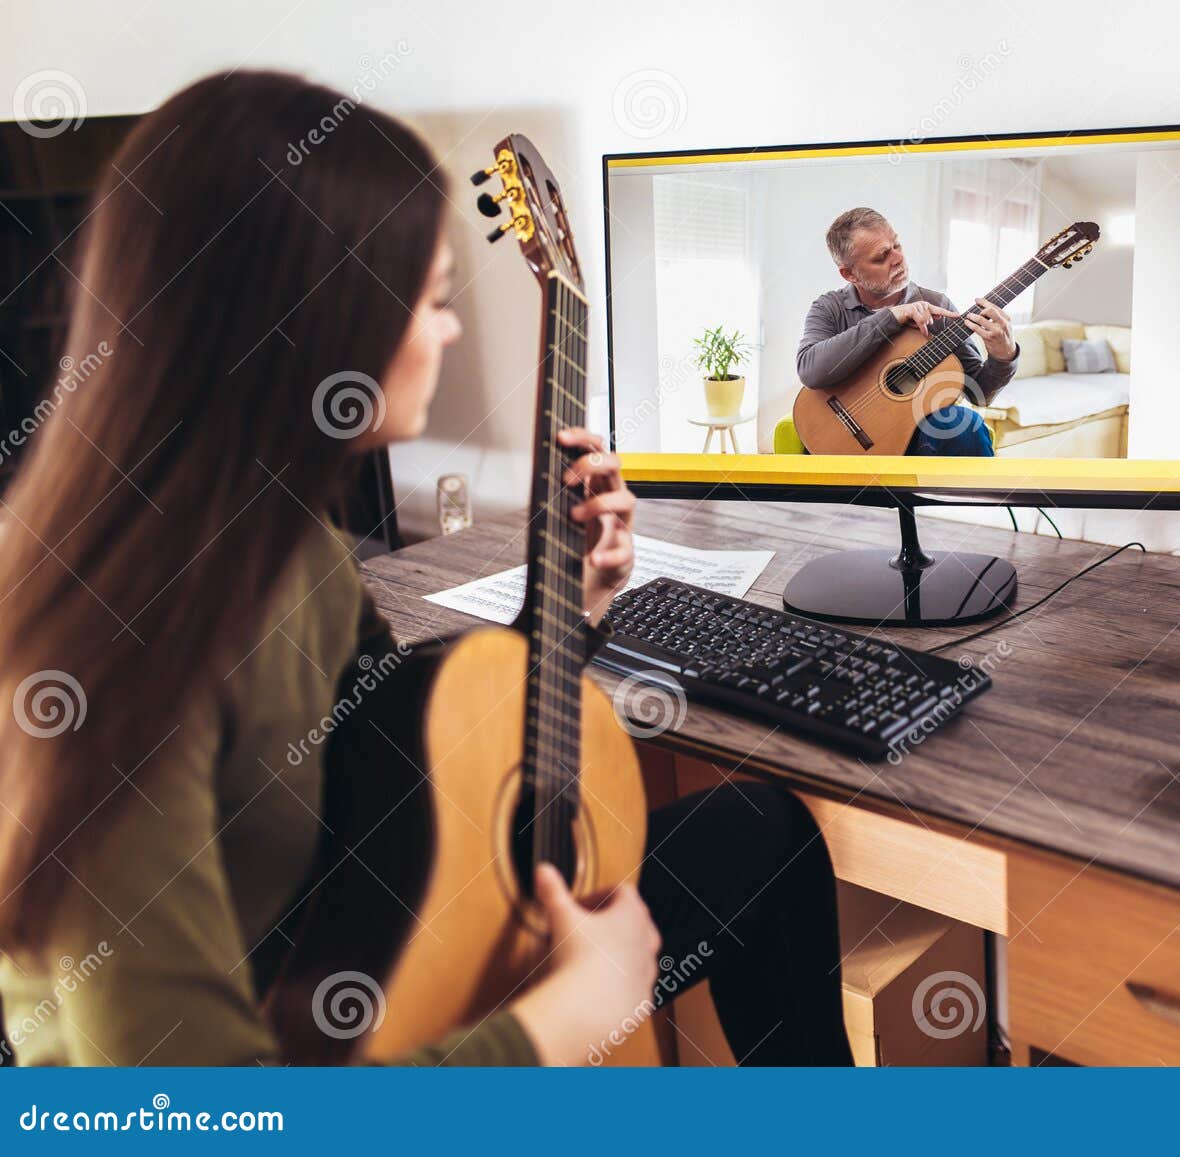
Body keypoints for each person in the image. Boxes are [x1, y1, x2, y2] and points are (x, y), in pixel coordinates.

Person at [0, 70, 851, 1067]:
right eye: (432, 299)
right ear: (319, 316)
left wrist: (570, 607)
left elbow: (398, 748)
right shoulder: (120, 640)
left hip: (352, 929)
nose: (449, 329)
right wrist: (560, 1019)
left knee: (762, 829)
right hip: (283, 1053)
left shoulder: (283, 532)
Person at [796, 207, 1019, 456]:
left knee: (966, 425)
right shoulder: (830, 307)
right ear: (850, 274)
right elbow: (810, 371)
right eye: (881, 257)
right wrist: (891, 316)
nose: (897, 259)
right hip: (836, 438)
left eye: (897, 245)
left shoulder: (938, 306)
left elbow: (979, 394)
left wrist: (1004, 356)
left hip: (913, 438)